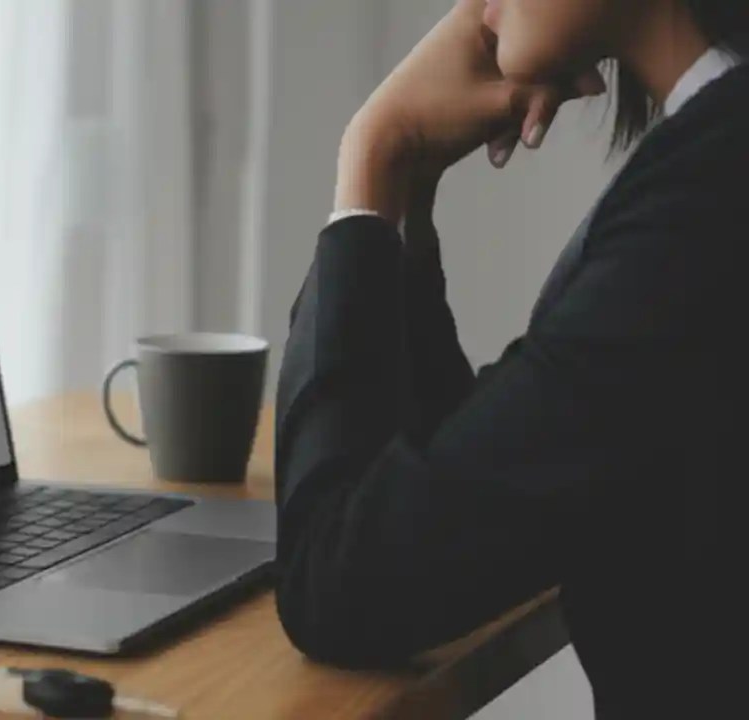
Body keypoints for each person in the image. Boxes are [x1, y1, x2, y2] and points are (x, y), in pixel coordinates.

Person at [272, 0, 747, 717]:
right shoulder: (710, 163)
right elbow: (476, 501)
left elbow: (341, 588)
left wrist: (374, 151)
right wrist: (406, 192)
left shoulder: (706, 207)